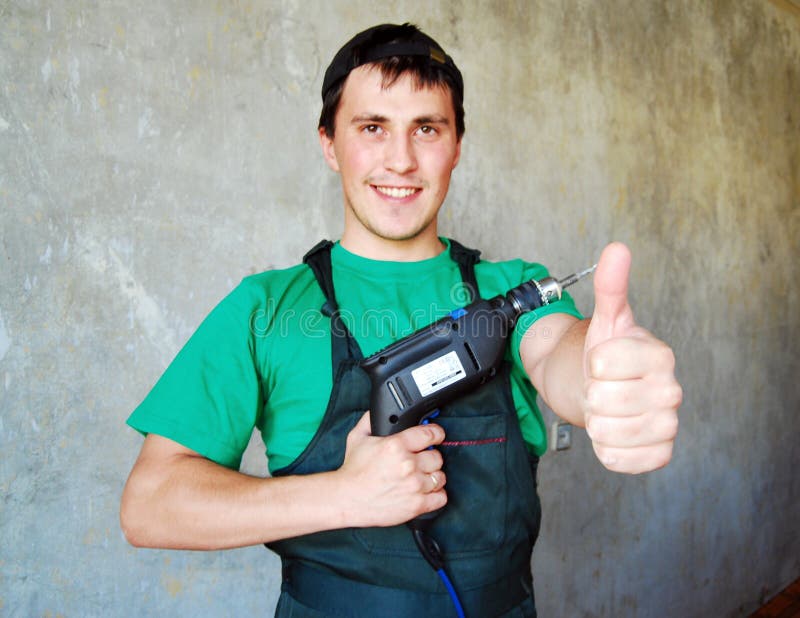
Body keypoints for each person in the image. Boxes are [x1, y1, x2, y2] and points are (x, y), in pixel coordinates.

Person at [120, 23, 681, 617]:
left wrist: (604, 383)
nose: (401, 159)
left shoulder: (510, 290)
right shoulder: (267, 309)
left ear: (457, 144)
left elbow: (559, 352)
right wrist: (343, 496)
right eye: (372, 128)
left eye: (427, 128)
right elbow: (151, 505)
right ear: (329, 144)